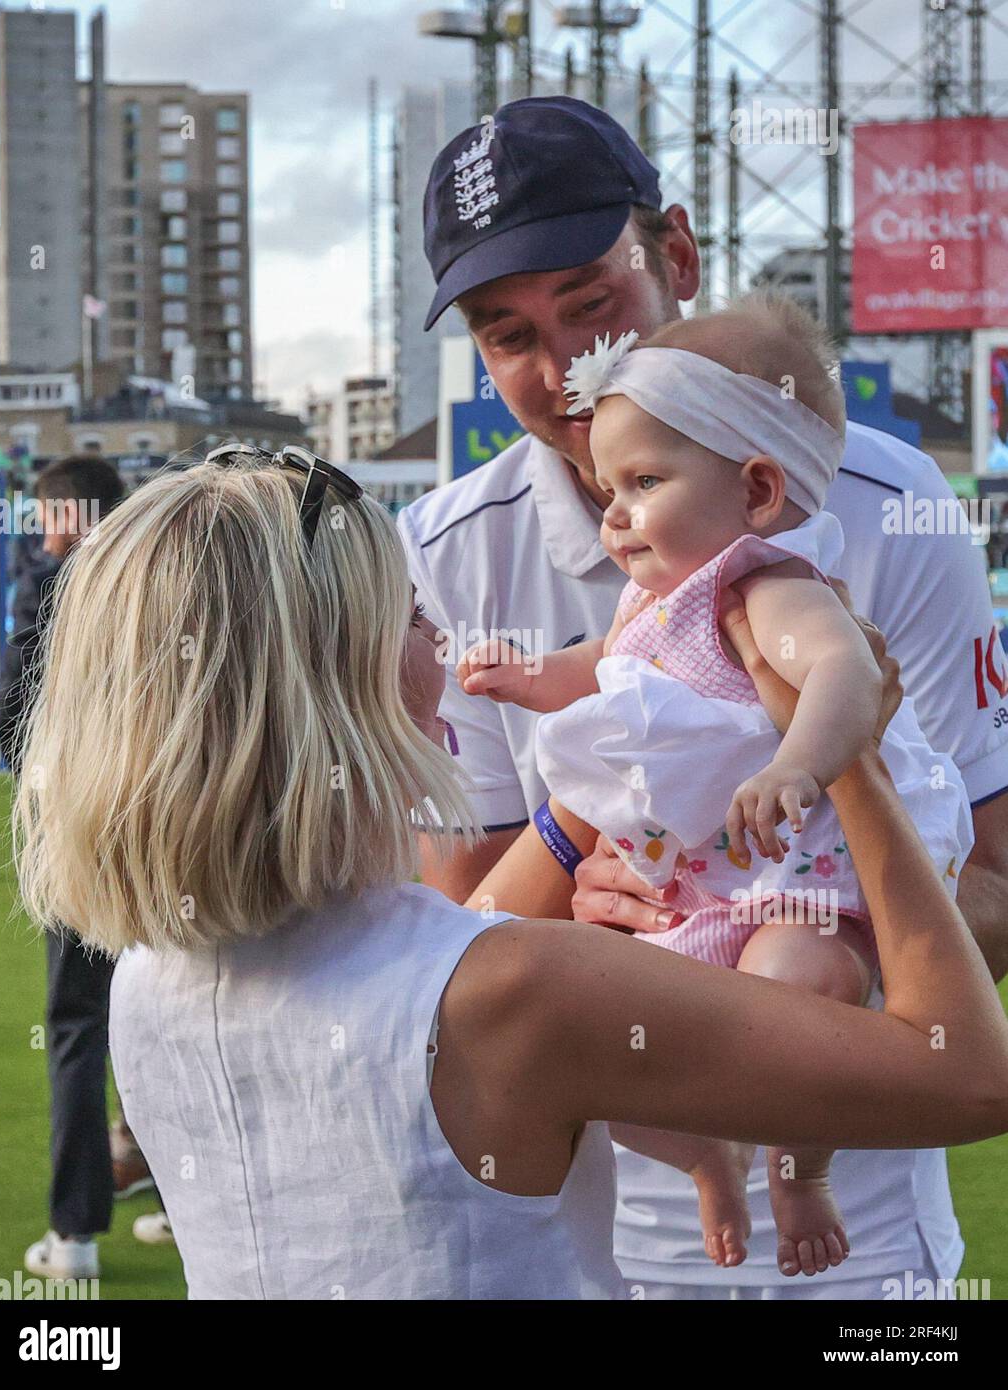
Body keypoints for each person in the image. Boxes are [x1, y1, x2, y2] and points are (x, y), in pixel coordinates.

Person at [8, 445, 1008, 1299]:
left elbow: (424, 959)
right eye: (404, 618)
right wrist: (847, 753)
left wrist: (625, 741)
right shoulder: (515, 989)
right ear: (319, 682)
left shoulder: (147, 979)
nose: (438, 643)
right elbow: (963, 1074)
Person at [401, 94, 1008, 1299]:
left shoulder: (892, 508)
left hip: (849, 1240)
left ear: (676, 255)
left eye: (590, 303)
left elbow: (995, 887)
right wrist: (586, 880)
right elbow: (445, 940)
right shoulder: (445, 551)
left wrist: (802, 892)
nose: (563, 369)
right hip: (566, 1229)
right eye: (505, 334)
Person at [458, 296, 973, 1278]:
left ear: (759, 489)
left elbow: (843, 676)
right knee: (602, 1053)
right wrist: (523, 678)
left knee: (801, 989)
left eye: (643, 481)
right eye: (608, 485)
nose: (613, 511)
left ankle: (798, 1167)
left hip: (796, 882)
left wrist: (796, 763)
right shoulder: (651, 601)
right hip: (697, 895)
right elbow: (593, 663)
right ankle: (708, 1158)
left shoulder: (768, 584)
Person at [0, 455, 151, 1280]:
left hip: (85, 842)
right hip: (176, 837)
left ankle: (77, 1234)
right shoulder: (166, 581)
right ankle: (176, 1196)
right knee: (183, 1005)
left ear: (59, 518)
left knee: (79, 1026)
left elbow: (12, 713)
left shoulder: (53, 590)